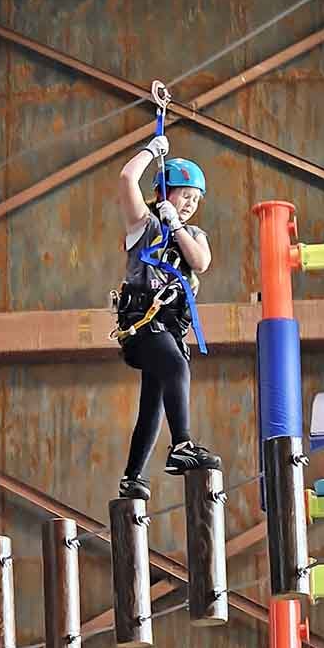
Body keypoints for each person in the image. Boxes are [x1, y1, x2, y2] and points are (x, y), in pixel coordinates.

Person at [114, 134, 221, 501]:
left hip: (171, 330)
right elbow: (128, 179)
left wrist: (176, 223)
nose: (190, 204)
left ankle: (132, 477)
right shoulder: (142, 226)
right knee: (176, 369)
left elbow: (201, 263)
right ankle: (182, 444)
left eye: (195, 199)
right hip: (143, 324)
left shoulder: (191, 233)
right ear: (164, 192)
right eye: (184, 195)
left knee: (153, 402)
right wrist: (150, 151)